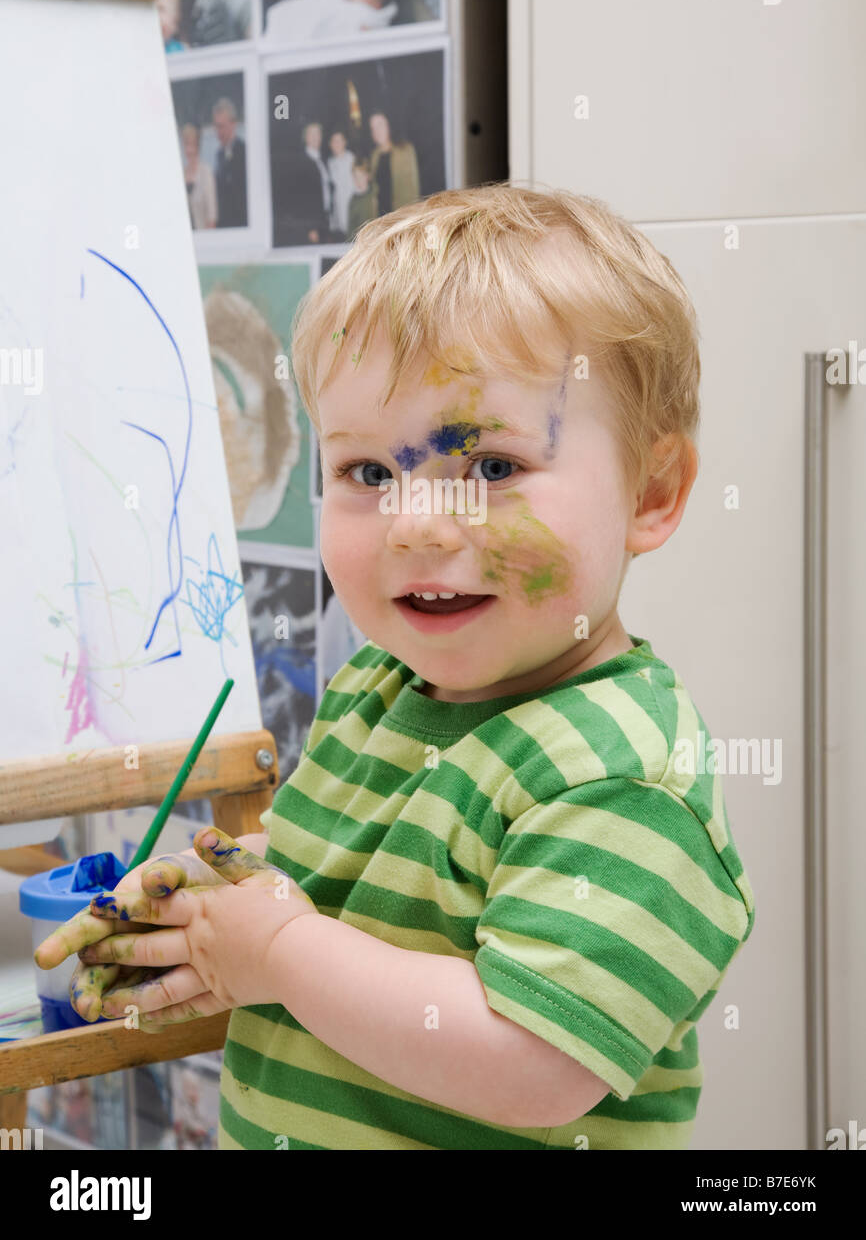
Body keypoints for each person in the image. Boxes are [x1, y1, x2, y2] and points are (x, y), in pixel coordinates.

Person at [35, 185, 755, 1151]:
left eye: (492, 467)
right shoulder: (373, 695)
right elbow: (317, 923)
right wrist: (216, 925)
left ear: (652, 491)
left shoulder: (618, 774)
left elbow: (534, 1064)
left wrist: (281, 953)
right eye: (370, 474)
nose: (416, 524)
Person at [367, 110, 420, 214]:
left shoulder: (405, 150)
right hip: (380, 217)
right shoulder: (375, 156)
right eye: (373, 128)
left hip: (401, 215)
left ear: (389, 126)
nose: (377, 131)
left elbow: (413, 189)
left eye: (380, 125)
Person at [211, 98, 247, 229]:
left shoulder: (244, 153)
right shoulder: (219, 154)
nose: (218, 132)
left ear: (233, 124)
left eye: (221, 126)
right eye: (216, 126)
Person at [180, 123, 216, 230]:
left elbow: (212, 217)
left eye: (192, 144)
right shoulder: (180, 175)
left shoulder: (206, 173)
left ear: (198, 146)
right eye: (186, 144)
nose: (189, 149)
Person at [325, 130, 355, 238]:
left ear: (344, 142)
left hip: (351, 208)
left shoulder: (352, 159)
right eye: (333, 141)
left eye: (339, 141)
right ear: (330, 144)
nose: (336, 144)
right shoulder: (330, 162)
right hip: (337, 210)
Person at [345, 158, 376, 238]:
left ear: (367, 176)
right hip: (360, 242)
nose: (358, 180)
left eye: (361, 176)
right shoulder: (353, 200)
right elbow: (351, 228)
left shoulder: (375, 194)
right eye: (355, 177)